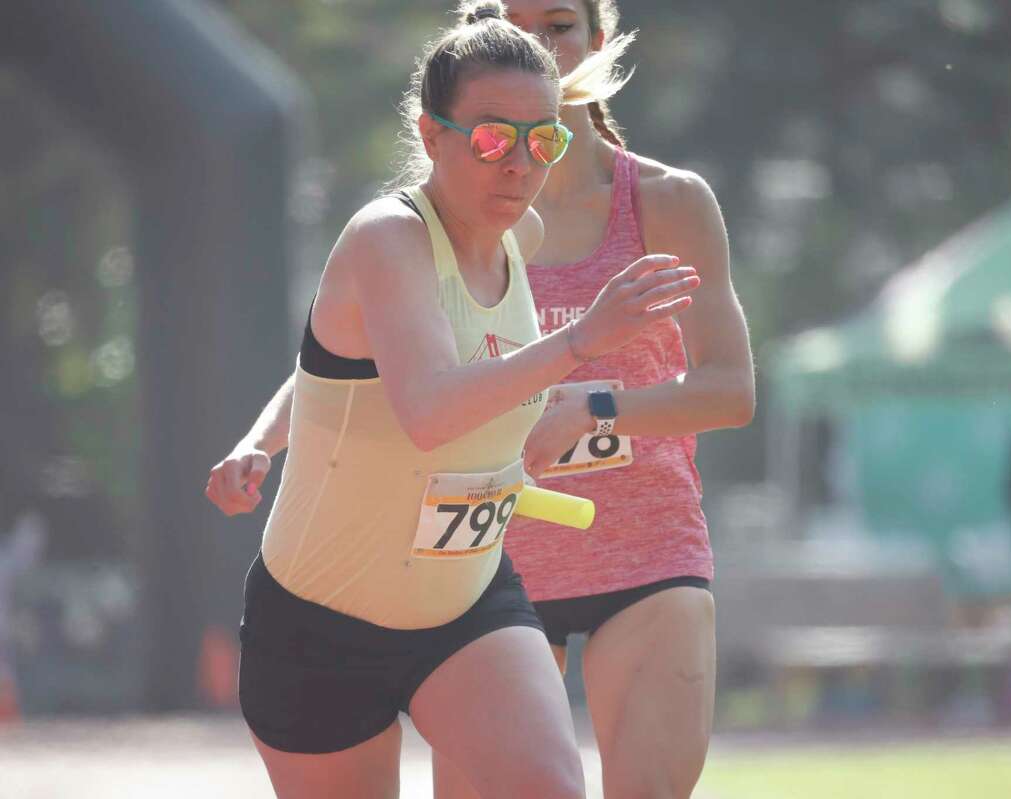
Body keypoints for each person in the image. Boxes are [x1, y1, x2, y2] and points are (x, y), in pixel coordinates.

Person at [208, 1, 753, 796]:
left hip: (477, 600)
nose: (520, 165)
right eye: (494, 138)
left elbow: (729, 387)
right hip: (325, 616)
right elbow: (404, 396)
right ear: (433, 135)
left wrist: (596, 404)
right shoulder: (389, 237)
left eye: (542, 141)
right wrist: (580, 343)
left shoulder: (523, 234)